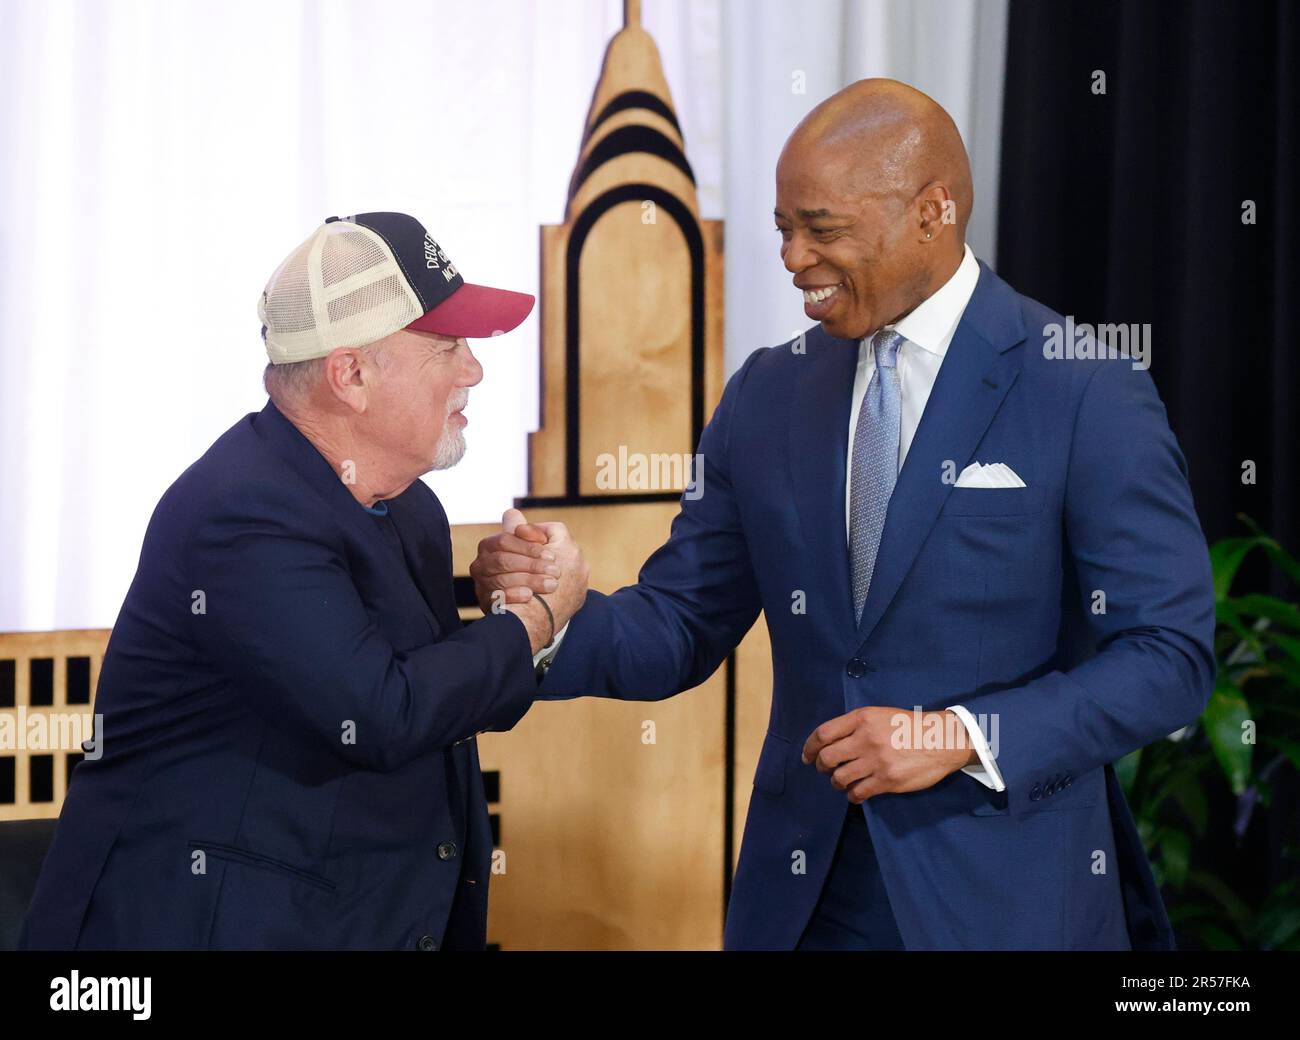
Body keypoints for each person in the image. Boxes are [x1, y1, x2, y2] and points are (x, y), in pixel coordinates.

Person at [473, 80, 1216, 950]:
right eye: (783, 227)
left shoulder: (1084, 388)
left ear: (932, 212)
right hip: (804, 899)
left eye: (821, 229)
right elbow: (680, 620)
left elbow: (1169, 657)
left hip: (1007, 905)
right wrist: (554, 616)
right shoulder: (767, 391)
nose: (792, 257)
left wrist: (962, 737)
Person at [21, 212, 584, 950]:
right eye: (446, 346)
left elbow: (441, 708)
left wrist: (500, 607)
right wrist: (533, 622)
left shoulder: (406, 504)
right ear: (349, 374)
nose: (473, 368)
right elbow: (384, 715)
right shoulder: (244, 510)